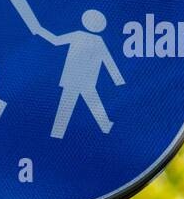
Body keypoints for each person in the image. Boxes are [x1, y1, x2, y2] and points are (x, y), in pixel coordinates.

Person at [41, 9, 125, 139]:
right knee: (91, 102)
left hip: (74, 78)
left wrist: (42, 31)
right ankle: (105, 126)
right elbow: (108, 62)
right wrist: (118, 80)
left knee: (70, 103)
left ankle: (58, 131)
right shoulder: (98, 40)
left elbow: (56, 40)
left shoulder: (79, 35)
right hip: (86, 79)